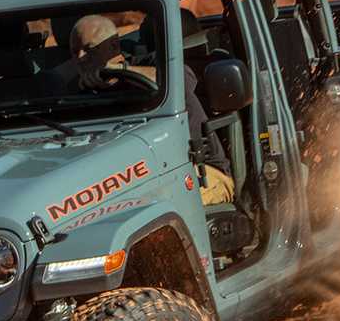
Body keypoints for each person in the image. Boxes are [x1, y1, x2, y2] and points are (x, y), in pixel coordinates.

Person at [68, 15, 234, 205]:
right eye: (74, 52)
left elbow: (180, 79)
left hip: (199, 170)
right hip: (124, 180)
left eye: (89, 49)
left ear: (114, 46)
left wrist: (120, 70)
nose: (80, 57)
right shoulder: (76, 93)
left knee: (154, 204)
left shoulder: (153, 63)